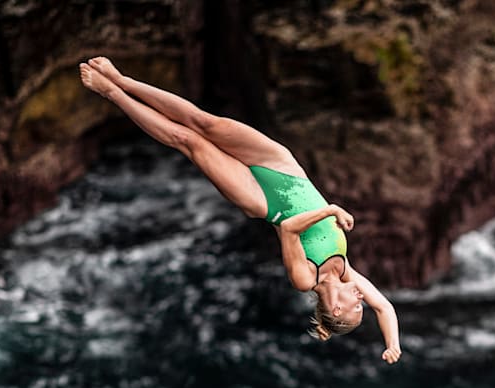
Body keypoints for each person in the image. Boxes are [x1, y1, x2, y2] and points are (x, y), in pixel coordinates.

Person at [79, 57, 402, 364]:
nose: (361, 300)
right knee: (205, 122)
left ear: (336, 308)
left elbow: (289, 228)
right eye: (362, 306)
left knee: (187, 140)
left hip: (262, 200)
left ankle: (112, 93)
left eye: (356, 308)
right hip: (283, 167)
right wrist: (393, 345)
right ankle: (124, 80)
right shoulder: (344, 271)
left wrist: (329, 211)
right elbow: (385, 307)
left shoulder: (306, 278)